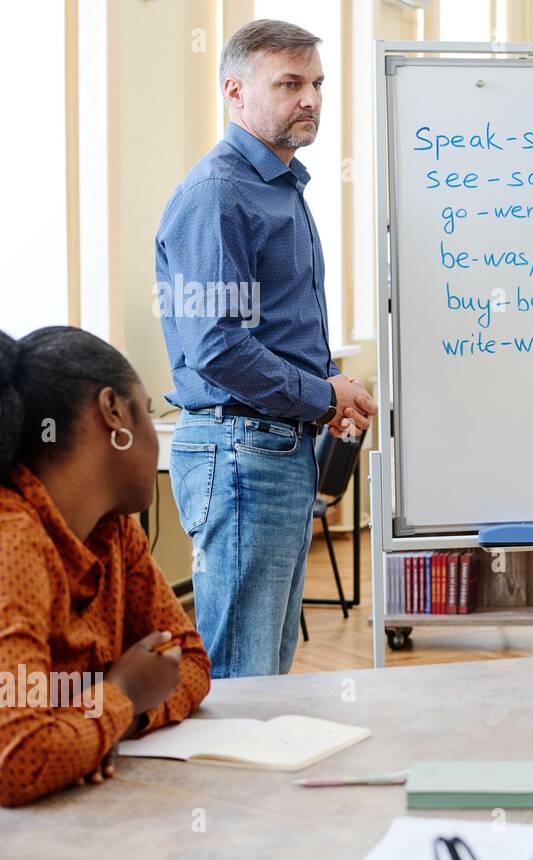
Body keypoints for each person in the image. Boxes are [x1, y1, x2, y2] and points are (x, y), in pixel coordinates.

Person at [156, 19, 377, 677]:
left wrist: (325, 390)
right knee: (242, 677)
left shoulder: (280, 184)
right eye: (289, 84)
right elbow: (217, 347)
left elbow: (279, 328)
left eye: (316, 84)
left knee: (267, 670)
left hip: (275, 447)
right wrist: (321, 394)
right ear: (235, 92)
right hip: (242, 451)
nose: (310, 99)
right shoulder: (220, 191)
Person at [0, 328, 210, 806]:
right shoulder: (12, 539)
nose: (157, 436)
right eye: (149, 409)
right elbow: (18, 762)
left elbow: (190, 661)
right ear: (113, 412)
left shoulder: (113, 530)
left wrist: (106, 726)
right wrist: (123, 696)